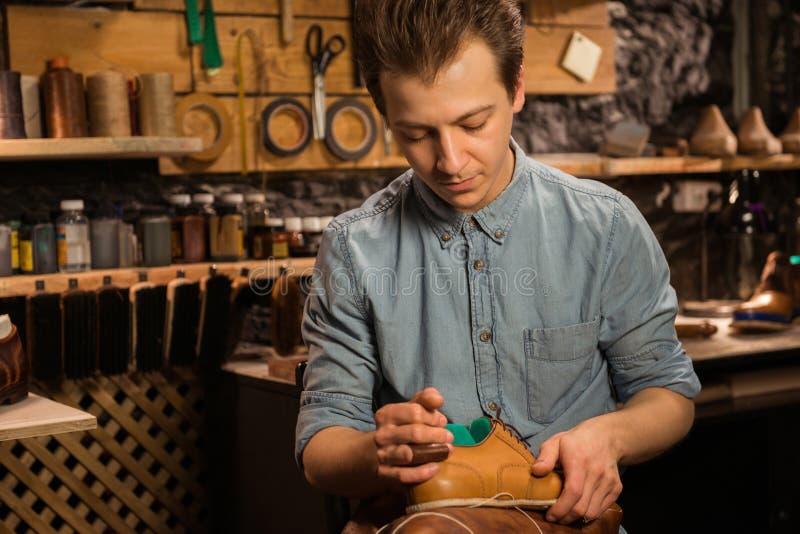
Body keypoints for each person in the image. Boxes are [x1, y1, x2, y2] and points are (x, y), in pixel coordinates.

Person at [296, 0, 701, 527]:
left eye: (472, 124)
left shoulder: (605, 227)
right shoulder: (353, 249)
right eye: (416, 134)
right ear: (385, 115)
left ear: (516, 90)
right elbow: (320, 445)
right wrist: (377, 452)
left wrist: (609, 436)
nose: (450, 160)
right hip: (423, 520)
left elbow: (669, 394)